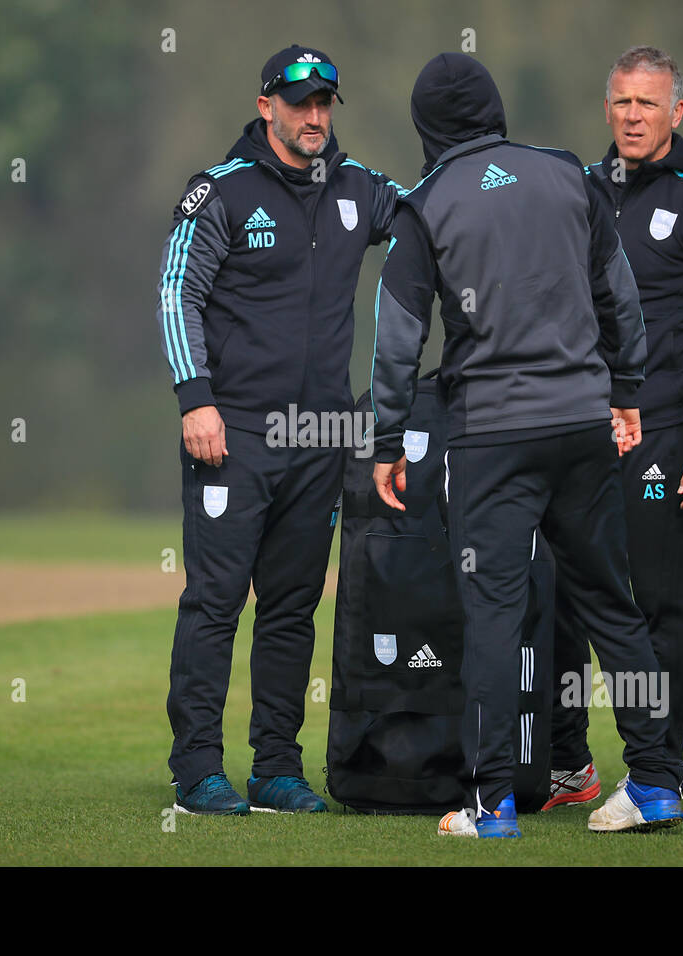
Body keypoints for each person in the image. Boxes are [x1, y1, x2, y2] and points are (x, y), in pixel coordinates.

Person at [370, 52, 683, 837]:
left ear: (427, 128)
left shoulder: (427, 202)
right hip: (581, 424)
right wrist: (625, 390)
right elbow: (621, 295)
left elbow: (398, 338)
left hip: (491, 439)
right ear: (495, 109)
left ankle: (489, 805)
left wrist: (385, 439)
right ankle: (652, 781)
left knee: (492, 618)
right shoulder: (567, 173)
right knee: (614, 605)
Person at [157, 45, 406, 815]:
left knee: (293, 608)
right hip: (232, 435)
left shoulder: (359, 188)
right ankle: (198, 769)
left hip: (320, 441)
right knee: (216, 602)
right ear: (266, 106)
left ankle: (275, 768)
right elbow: (176, 296)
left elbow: (432, 217)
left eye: (325, 103)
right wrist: (195, 398)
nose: (314, 117)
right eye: (299, 103)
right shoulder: (222, 191)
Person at [545, 46, 683, 810]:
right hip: (574, 431)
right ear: (608, 108)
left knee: (655, 599)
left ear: (677, 113)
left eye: (648, 103)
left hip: (666, 432)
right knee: (560, 594)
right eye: (622, 102)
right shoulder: (582, 189)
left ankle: (658, 769)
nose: (633, 116)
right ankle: (567, 766)